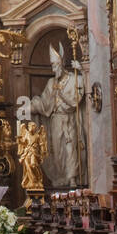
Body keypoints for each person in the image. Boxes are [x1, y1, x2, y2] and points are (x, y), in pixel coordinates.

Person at [29, 43, 86, 187]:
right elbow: (44, 103)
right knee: (58, 151)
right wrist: (31, 106)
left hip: (69, 119)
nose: (53, 69)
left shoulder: (75, 79)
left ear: (61, 64)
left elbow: (78, 99)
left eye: (55, 65)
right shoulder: (51, 82)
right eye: (52, 65)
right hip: (56, 120)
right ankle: (62, 177)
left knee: (71, 148)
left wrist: (83, 70)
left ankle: (72, 178)